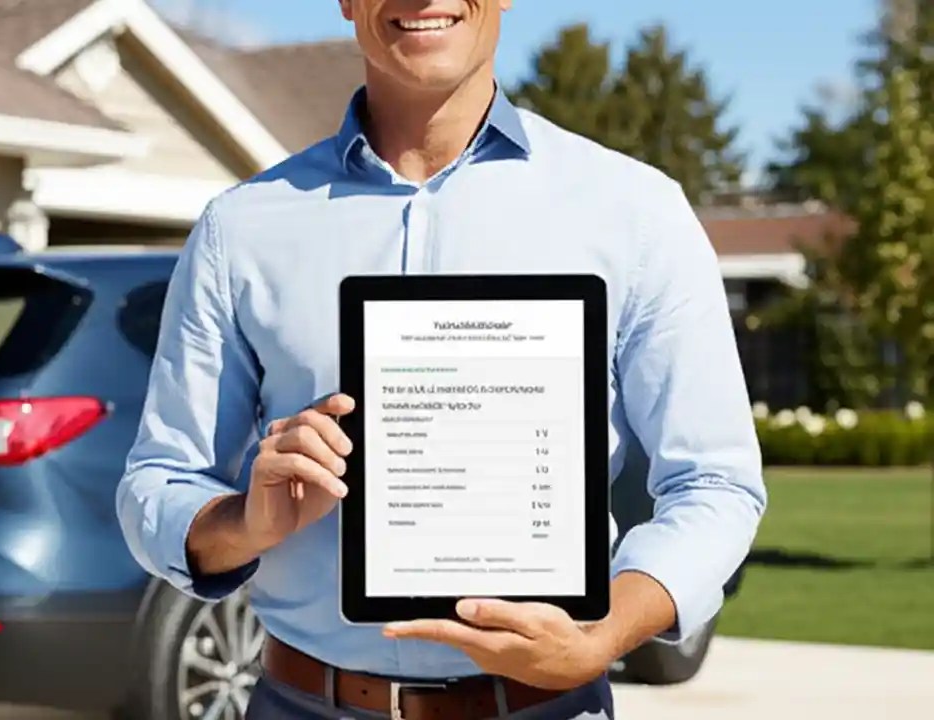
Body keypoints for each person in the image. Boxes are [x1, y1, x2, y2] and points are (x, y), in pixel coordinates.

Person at [116, 0, 768, 717]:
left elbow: (717, 486)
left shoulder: (636, 214)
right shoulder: (240, 230)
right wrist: (246, 522)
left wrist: (605, 633)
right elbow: (159, 480)